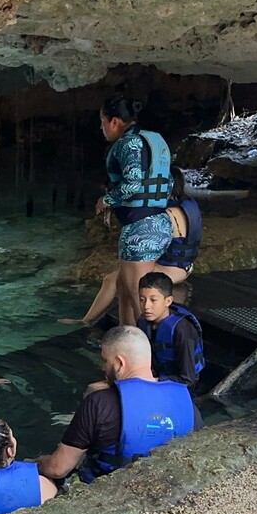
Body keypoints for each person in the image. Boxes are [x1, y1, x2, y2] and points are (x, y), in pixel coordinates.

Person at [35, 326, 201, 484]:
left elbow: (57, 469)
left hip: (108, 489)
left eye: (105, 360)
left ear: (120, 363)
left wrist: (39, 463)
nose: (103, 367)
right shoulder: (186, 401)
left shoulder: (98, 403)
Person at [62, 168, 203, 327]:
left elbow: (148, 251)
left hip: (171, 270)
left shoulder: (164, 216)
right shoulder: (187, 205)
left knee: (119, 281)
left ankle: (89, 322)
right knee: (119, 280)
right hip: (185, 267)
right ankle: (111, 324)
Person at [94, 95, 176, 326]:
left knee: (139, 300)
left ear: (114, 121)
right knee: (124, 289)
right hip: (160, 223)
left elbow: (132, 183)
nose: (101, 128)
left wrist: (106, 200)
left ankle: (153, 345)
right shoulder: (155, 140)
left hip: (140, 230)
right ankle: (126, 337)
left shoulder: (127, 144)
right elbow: (169, 181)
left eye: (102, 122)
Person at [137, 271, 205, 390]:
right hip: (156, 374)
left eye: (153, 300)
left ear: (168, 301)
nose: (146, 306)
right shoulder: (143, 321)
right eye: (142, 300)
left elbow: (188, 379)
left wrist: (154, 381)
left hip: (181, 384)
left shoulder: (181, 330)